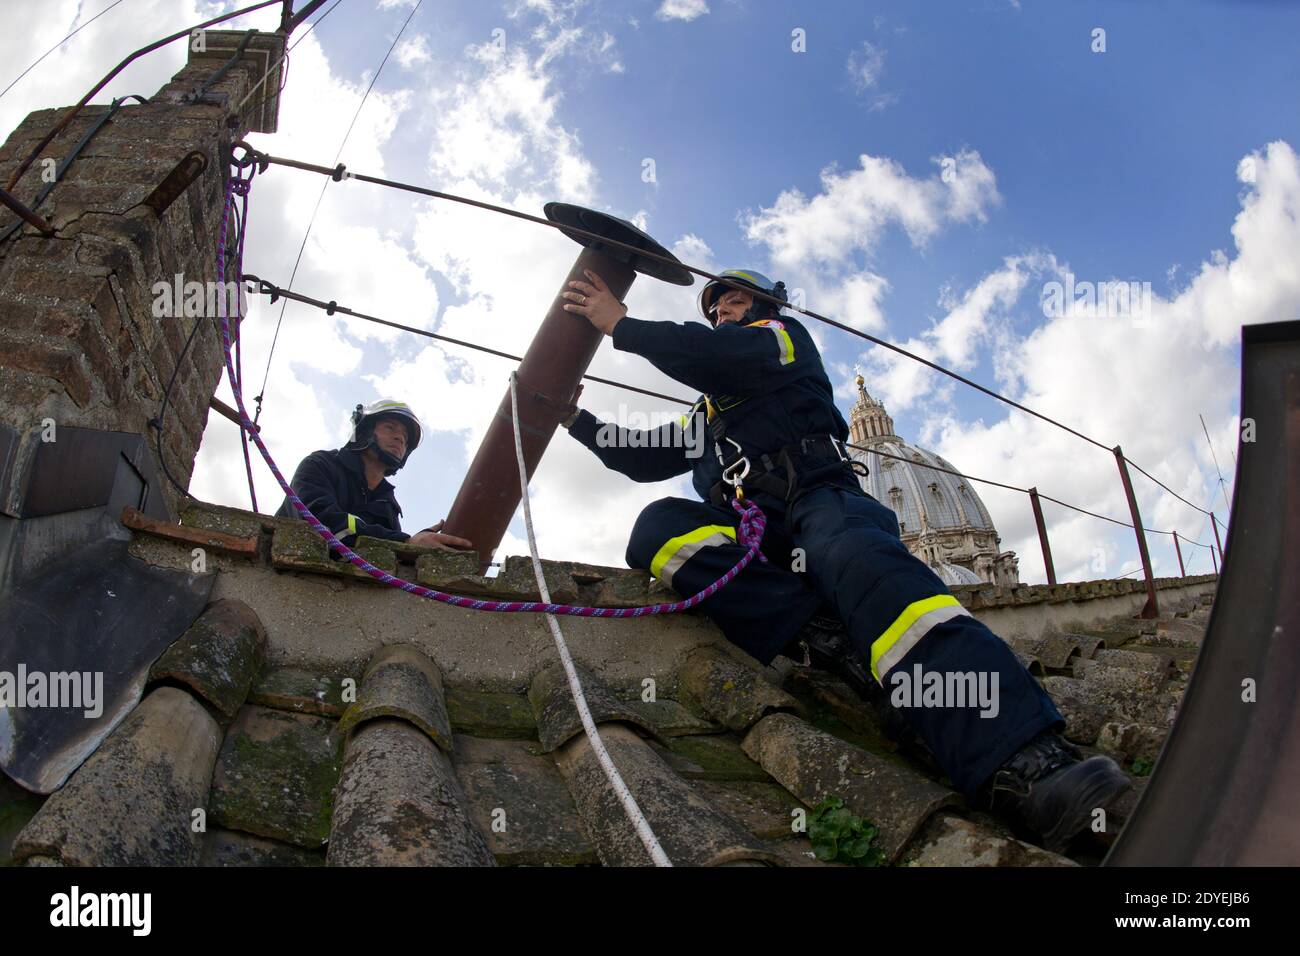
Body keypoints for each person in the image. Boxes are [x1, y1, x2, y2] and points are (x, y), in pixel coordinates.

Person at [558, 267, 1130, 853]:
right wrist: (577, 421)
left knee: (860, 562)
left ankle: (1025, 758)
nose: (723, 309)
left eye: (734, 300)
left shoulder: (780, 341)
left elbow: (711, 355)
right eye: (716, 307)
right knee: (657, 529)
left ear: (765, 308)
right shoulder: (704, 415)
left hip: (819, 499)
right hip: (759, 530)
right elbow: (643, 456)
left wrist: (622, 326)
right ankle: (824, 636)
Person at [276, 399, 472, 552]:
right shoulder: (320, 465)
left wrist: (418, 547)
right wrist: (406, 542)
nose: (400, 438)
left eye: (405, 437)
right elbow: (321, 523)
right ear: (364, 431)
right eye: (390, 428)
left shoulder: (387, 503)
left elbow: (388, 553)